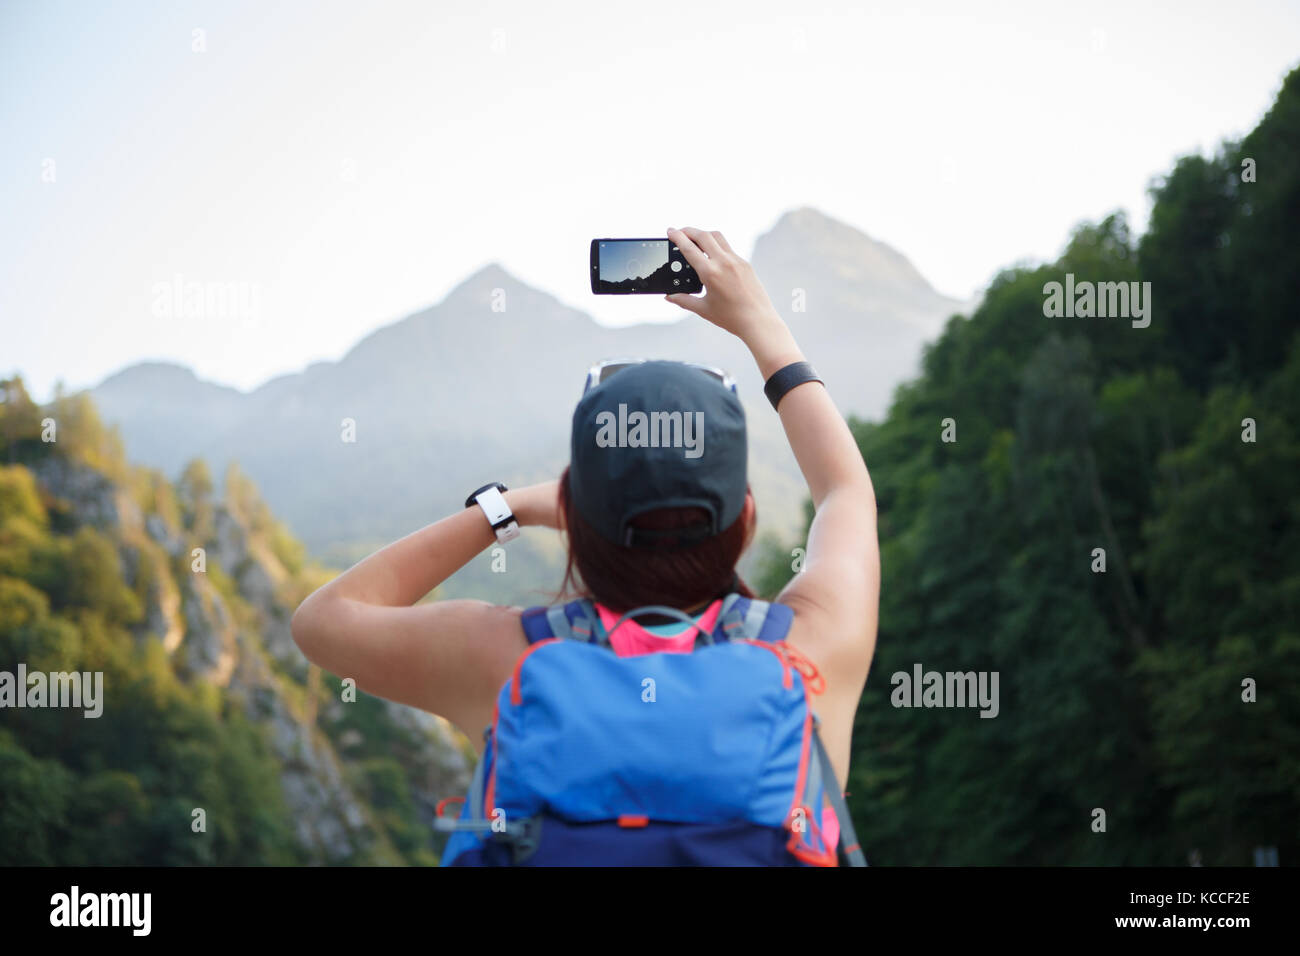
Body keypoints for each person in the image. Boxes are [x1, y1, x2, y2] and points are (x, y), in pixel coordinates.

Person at [291, 226, 881, 864]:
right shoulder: (809, 656)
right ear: (746, 517)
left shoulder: (505, 660)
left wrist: (506, 508)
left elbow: (323, 621)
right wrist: (763, 326)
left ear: (572, 513)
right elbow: (845, 493)